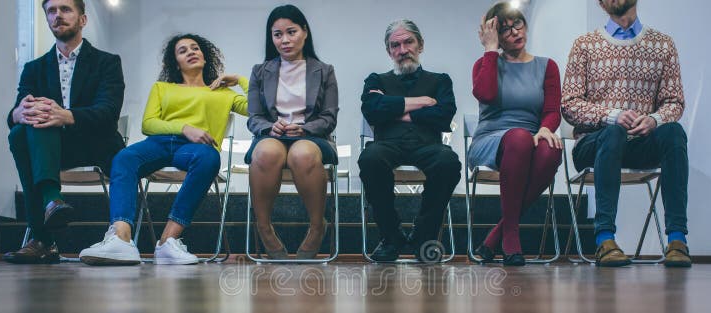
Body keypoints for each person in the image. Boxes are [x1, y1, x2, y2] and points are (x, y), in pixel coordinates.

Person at [78, 34, 249, 265]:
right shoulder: (162, 88)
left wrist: (239, 79)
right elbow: (148, 124)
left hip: (194, 149)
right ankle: (121, 238)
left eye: (195, 48)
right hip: (159, 143)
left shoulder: (223, 94)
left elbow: (259, 108)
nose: (191, 52)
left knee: (209, 158)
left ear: (205, 57)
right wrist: (185, 127)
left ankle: (168, 241)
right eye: (182, 50)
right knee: (124, 158)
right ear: (175, 62)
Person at [562, 0, 691, 267]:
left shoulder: (662, 45)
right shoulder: (584, 45)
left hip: (639, 143)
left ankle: (677, 240)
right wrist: (612, 116)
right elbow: (569, 104)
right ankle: (604, 240)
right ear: (600, 3)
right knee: (614, 132)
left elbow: (674, 102)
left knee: (674, 132)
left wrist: (654, 120)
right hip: (593, 143)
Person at [3, 0, 125, 264]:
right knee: (22, 130)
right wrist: (18, 114)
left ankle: (43, 236)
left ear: (83, 19)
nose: (57, 15)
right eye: (51, 11)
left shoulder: (107, 62)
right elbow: (17, 112)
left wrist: (65, 116)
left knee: (39, 123)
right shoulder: (34, 68)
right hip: (52, 148)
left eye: (65, 9)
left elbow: (108, 112)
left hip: (96, 144)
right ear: (47, 19)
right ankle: (52, 204)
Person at [468, 2, 563, 266]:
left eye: (517, 24)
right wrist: (490, 50)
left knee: (552, 147)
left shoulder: (547, 66)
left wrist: (545, 128)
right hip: (492, 139)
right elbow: (486, 94)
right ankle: (510, 235)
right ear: (496, 37)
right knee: (519, 137)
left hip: (531, 138)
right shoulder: (484, 64)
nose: (514, 33)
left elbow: (553, 109)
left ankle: (497, 234)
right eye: (505, 30)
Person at [358, 19, 461, 263]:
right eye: (395, 45)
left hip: (428, 145)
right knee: (370, 159)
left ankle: (423, 235)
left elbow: (445, 115)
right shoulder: (376, 80)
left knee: (448, 162)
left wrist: (394, 110)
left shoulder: (441, 80)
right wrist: (424, 101)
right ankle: (391, 236)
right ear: (389, 51)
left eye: (408, 42)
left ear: (420, 45)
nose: (402, 50)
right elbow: (372, 111)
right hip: (387, 145)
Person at [246, 4, 339, 260]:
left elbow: (329, 117)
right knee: (264, 153)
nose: (285, 40)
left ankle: (317, 226)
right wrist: (268, 127)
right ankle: (264, 229)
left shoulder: (325, 71)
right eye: (277, 34)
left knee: (302, 155)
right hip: (271, 136)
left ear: (305, 32)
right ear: (271, 38)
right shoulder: (259, 71)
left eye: (291, 32)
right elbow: (254, 117)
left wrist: (306, 128)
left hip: (311, 137)